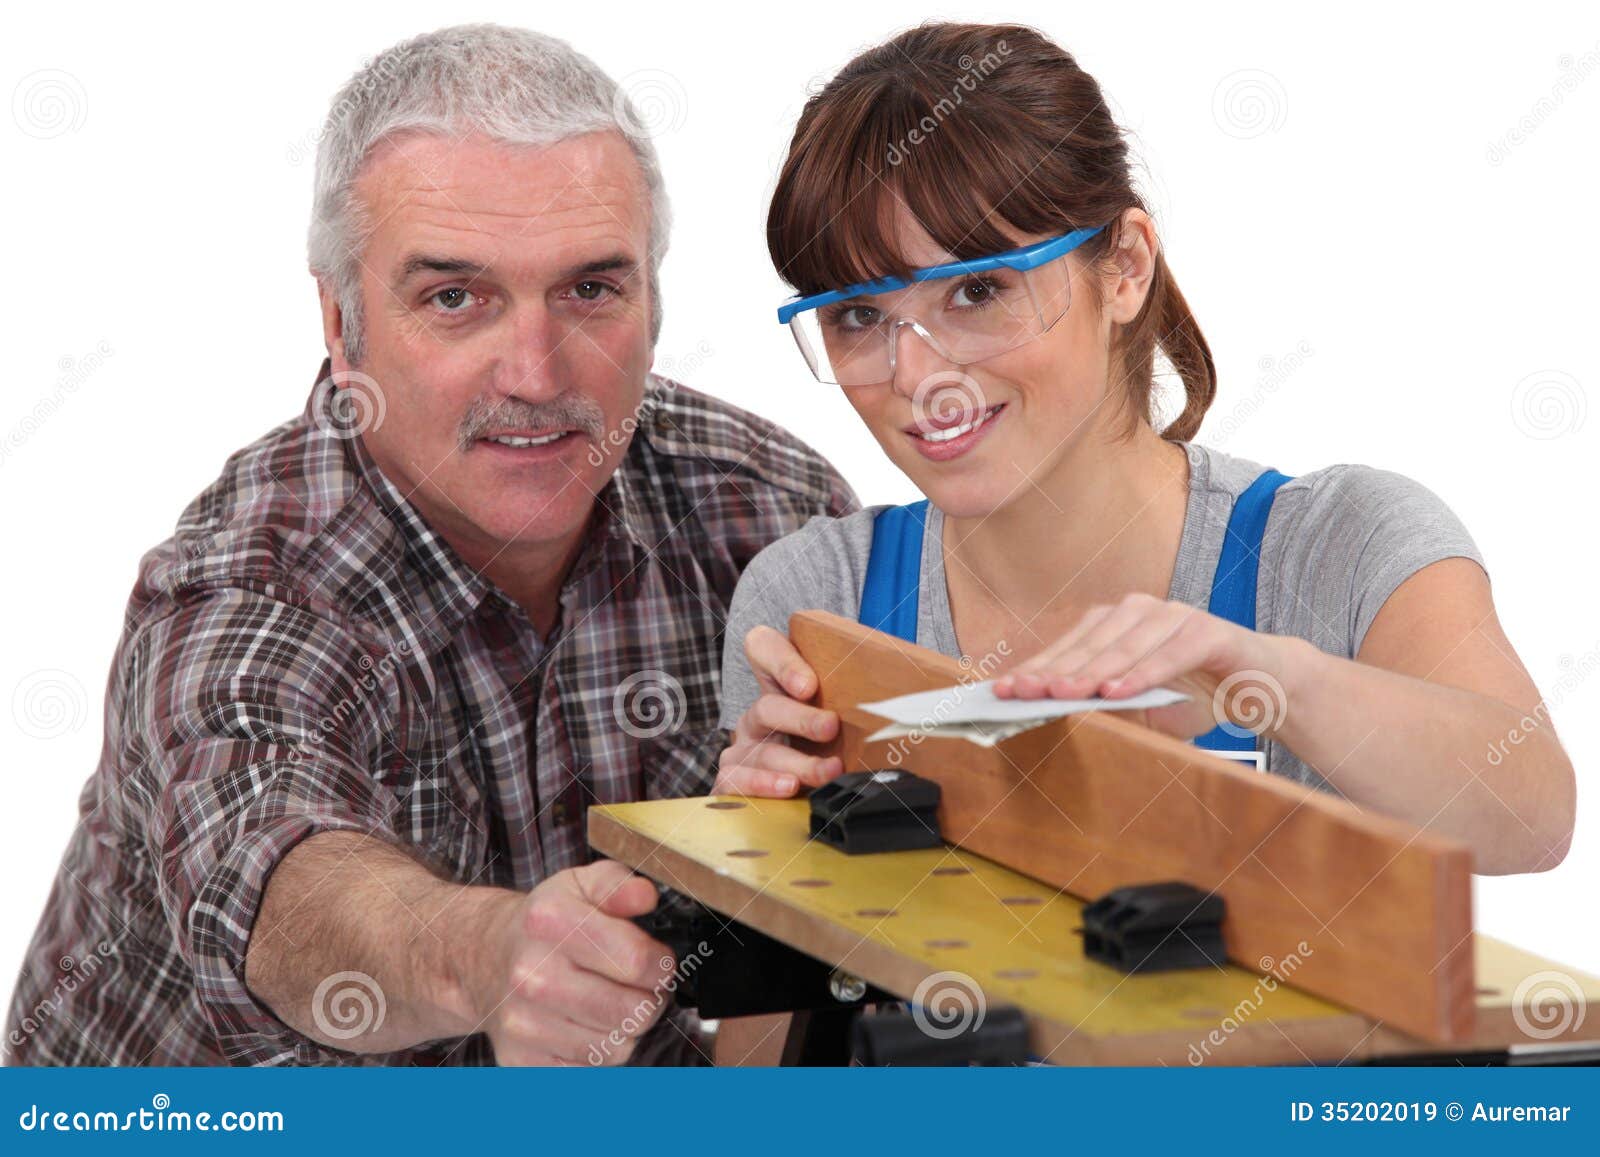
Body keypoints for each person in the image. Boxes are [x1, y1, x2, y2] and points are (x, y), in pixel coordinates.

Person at [7, 24, 855, 1066]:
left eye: (591, 288)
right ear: (341, 319)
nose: (537, 376)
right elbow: (279, 886)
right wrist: (488, 955)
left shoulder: (766, 510)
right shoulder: (245, 590)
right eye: (456, 298)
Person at [715, 22, 1574, 876]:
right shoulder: (817, 600)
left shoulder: (1339, 547)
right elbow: (773, 1010)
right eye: (858, 315)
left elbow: (1532, 814)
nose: (917, 375)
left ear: (1124, 267)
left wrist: (1267, 677)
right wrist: (757, 875)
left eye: (977, 291)